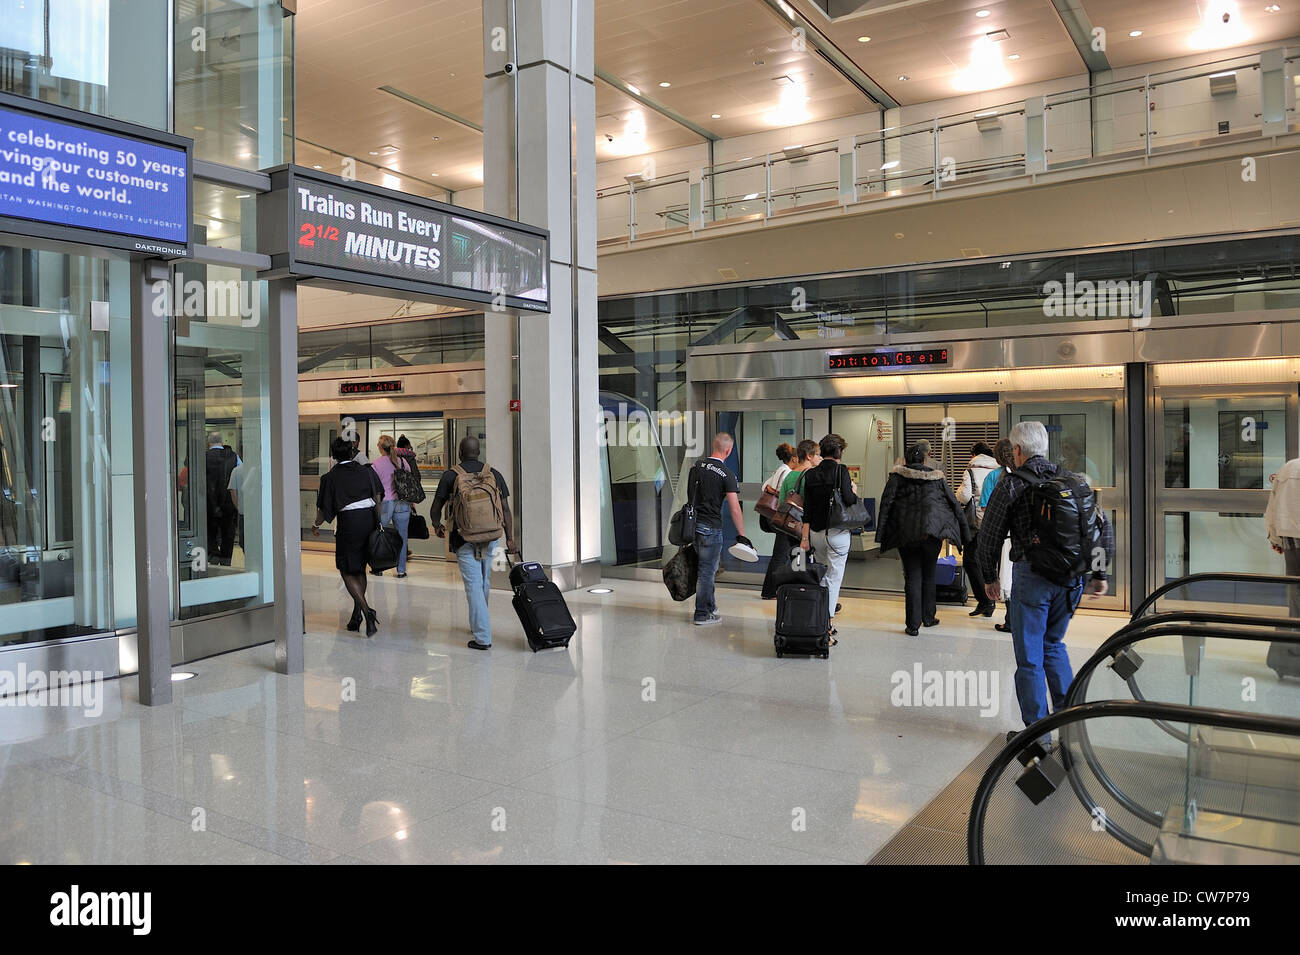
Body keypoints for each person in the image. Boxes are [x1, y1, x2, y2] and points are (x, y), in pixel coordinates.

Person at [976, 420, 1114, 743]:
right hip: (1070, 581)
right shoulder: (1074, 480)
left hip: (1032, 579)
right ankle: (1070, 724)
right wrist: (1099, 574)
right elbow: (1101, 527)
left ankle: (1038, 736)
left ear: (1018, 451)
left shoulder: (1011, 485)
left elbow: (989, 537)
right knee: (1054, 646)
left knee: (1030, 658)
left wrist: (989, 578)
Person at [875, 440, 970, 636]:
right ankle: (929, 617)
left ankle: (912, 625)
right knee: (929, 574)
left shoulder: (897, 477)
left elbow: (886, 505)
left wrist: (880, 535)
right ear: (926, 458)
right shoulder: (937, 479)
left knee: (912, 576)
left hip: (905, 534)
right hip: (932, 534)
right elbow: (954, 504)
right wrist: (964, 534)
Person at [430, 436, 514, 650]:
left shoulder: (451, 475)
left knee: (473, 586)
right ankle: (480, 623)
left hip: (463, 538)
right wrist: (511, 538)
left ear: (460, 452)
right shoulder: (493, 474)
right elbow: (505, 509)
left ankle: (482, 636)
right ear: (479, 452)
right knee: (484, 582)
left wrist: (437, 525)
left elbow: (436, 506)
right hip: (491, 536)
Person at [311, 436, 383, 636]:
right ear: (352, 453)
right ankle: (356, 615)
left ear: (333, 456)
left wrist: (315, 525)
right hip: (368, 521)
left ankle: (367, 611)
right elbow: (378, 497)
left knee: (346, 568)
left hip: (349, 524)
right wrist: (377, 522)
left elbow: (323, 512)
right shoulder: (367, 472)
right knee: (359, 568)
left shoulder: (330, 478)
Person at [800, 433, 860, 642]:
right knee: (834, 579)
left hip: (815, 534)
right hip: (837, 533)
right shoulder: (840, 471)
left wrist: (804, 538)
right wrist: (853, 489)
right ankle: (825, 623)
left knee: (822, 576)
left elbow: (806, 508)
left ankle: (818, 619)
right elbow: (850, 499)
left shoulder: (811, 474)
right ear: (839, 452)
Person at [686, 433, 747, 626]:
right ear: (728, 451)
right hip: (711, 527)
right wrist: (742, 535)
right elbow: (735, 508)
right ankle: (702, 613)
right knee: (707, 572)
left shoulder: (696, 467)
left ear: (714, 445)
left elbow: (690, 496)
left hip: (693, 526)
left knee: (705, 569)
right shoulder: (727, 474)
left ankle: (710, 607)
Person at [957, 441, 1000, 618]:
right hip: (996, 522)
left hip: (977, 522)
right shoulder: (1000, 470)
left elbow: (964, 496)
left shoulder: (970, 470)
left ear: (973, 454)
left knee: (970, 561)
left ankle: (985, 600)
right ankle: (990, 600)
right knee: (991, 560)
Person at [981, 438, 1016, 633]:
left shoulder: (994, 477)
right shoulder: (1025, 475)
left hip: (1004, 538)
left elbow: (986, 507)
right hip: (1022, 538)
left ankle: (1010, 620)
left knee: (1006, 578)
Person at [370, 434, 413, 579]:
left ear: (381, 447)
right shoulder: (403, 461)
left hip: (385, 503)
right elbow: (409, 484)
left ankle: (379, 567)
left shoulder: (376, 464)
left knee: (379, 535)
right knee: (402, 537)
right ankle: (401, 570)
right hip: (403, 502)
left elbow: (374, 488)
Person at [759, 442, 796, 600]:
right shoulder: (787, 472)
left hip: (773, 517)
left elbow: (764, 487)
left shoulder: (779, 470)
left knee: (784, 554)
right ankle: (770, 590)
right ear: (793, 459)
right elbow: (784, 495)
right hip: (782, 518)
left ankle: (779, 588)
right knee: (780, 555)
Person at [1265, 457, 1300, 617]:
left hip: (1290, 534)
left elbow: (1273, 506)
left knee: (1294, 583)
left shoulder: (1289, 467)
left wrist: (1274, 538)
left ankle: (1295, 625)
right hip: (1290, 532)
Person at [204, 432, 240, 566]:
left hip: (208, 503)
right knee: (227, 532)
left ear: (209, 443)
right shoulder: (234, 456)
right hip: (229, 503)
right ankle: (226, 560)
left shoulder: (202, 457)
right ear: (222, 442)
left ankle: (213, 555)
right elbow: (240, 475)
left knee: (210, 531)